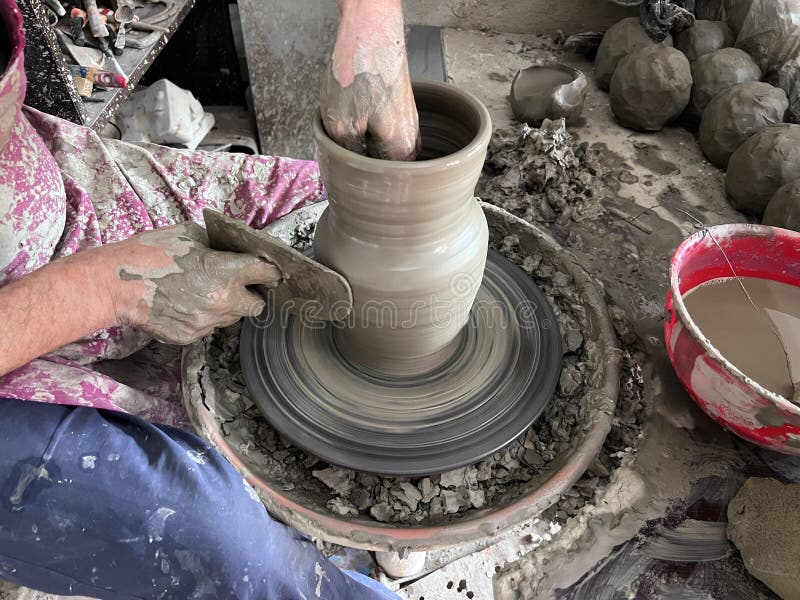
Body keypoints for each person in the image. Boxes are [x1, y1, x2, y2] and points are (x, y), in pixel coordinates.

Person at [0, 0, 419, 597]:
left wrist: (371, 28)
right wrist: (99, 288)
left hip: (37, 194)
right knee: (227, 543)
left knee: (322, 206)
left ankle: (346, 532)